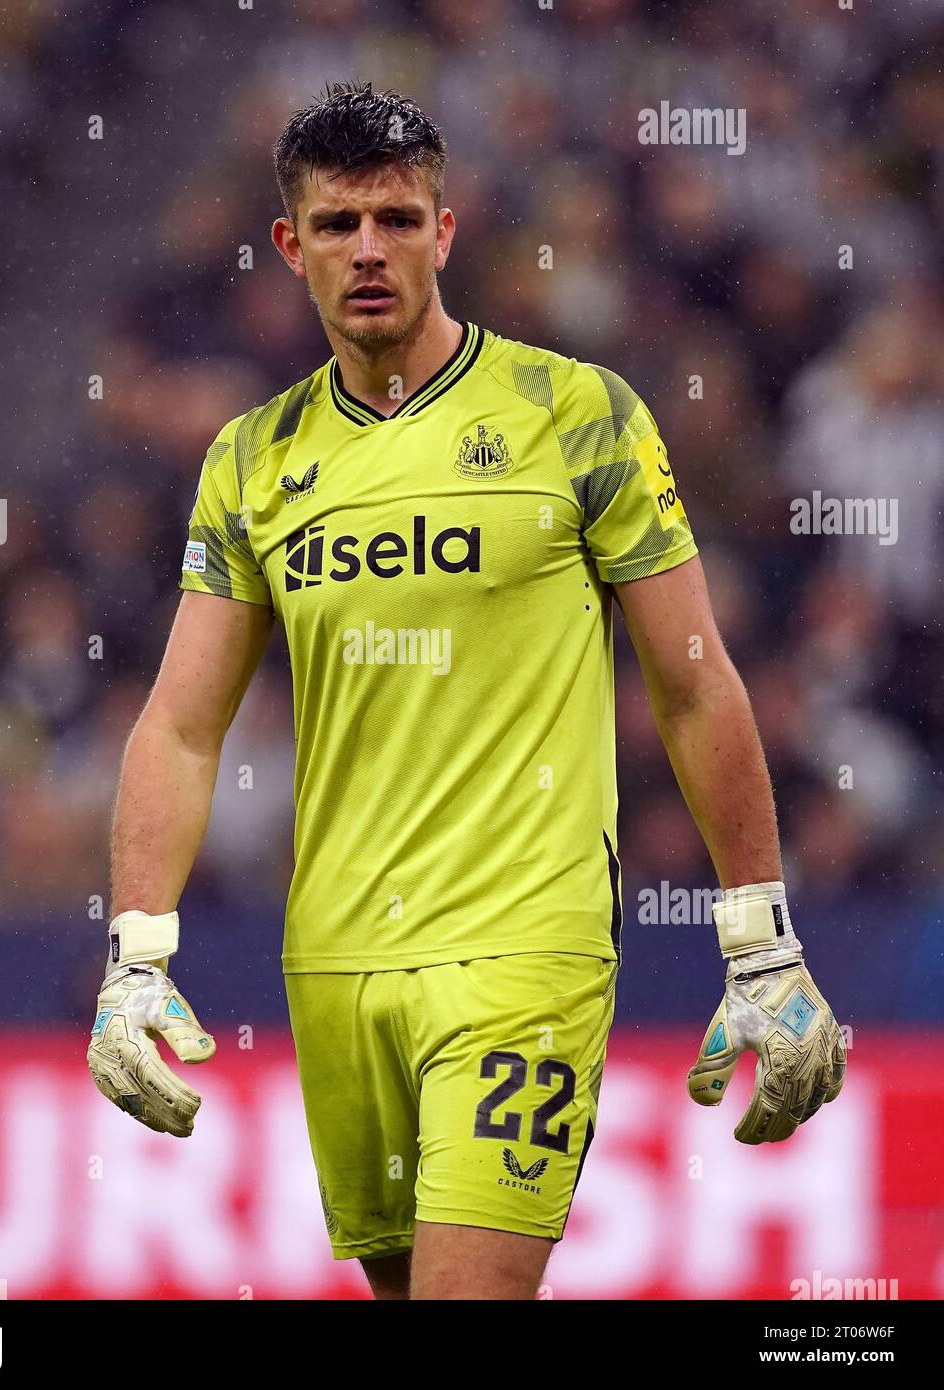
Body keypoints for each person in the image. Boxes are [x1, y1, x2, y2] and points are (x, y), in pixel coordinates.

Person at [87, 81, 845, 1301]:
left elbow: (696, 685)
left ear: (448, 229)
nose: (370, 250)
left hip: (522, 947)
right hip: (334, 960)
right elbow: (179, 724)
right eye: (338, 226)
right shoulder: (251, 459)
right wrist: (136, 953)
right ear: (291, 245)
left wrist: (759, 941)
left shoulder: (578, 415)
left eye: (397, 218)